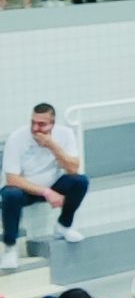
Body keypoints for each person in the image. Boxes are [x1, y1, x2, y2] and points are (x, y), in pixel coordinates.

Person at [1, 102, 88, 265]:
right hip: (26, 189)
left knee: (80, 182)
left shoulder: (65, 134)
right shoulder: (17, 138)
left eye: (41, 124)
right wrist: (46, 192)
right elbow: (12, 179)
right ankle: (10, 246)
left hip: (54, 184)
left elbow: (73, 169)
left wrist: (52, 146)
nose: (35, 129)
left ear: (52, 124)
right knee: (10, 194)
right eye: (33, 123)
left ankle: (64, 225)